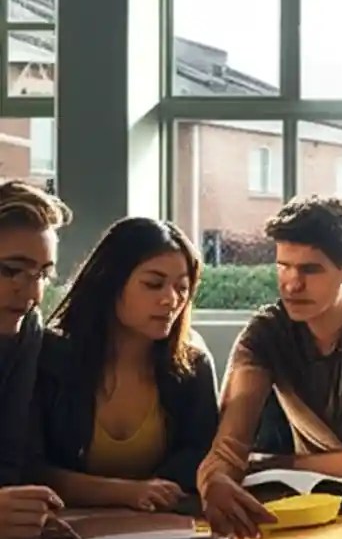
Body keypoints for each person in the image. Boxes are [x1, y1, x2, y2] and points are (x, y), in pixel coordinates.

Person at [196, 197, 342, 539]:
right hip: (305, 503)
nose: (291, 284)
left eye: (310, 269)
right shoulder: (266, 331)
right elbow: (229, 445)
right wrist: (215, 477)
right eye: (283, 266)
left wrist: (267, 463)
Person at [33, 218, 217, 512]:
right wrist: (125, 493)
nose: (171, 300)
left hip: (159, 528)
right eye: (153, 284)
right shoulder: (49, 357)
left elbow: (201, 456)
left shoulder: (191, 366)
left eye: (182, 288)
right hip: (64, 528)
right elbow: (30, 468)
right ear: (110, 281)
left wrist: (151, 497)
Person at [0, 180, 73, 539]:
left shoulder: (27, 327)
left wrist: (24, 514)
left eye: (43, 273)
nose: (31, 293)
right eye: (12, 270)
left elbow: (10, 454)